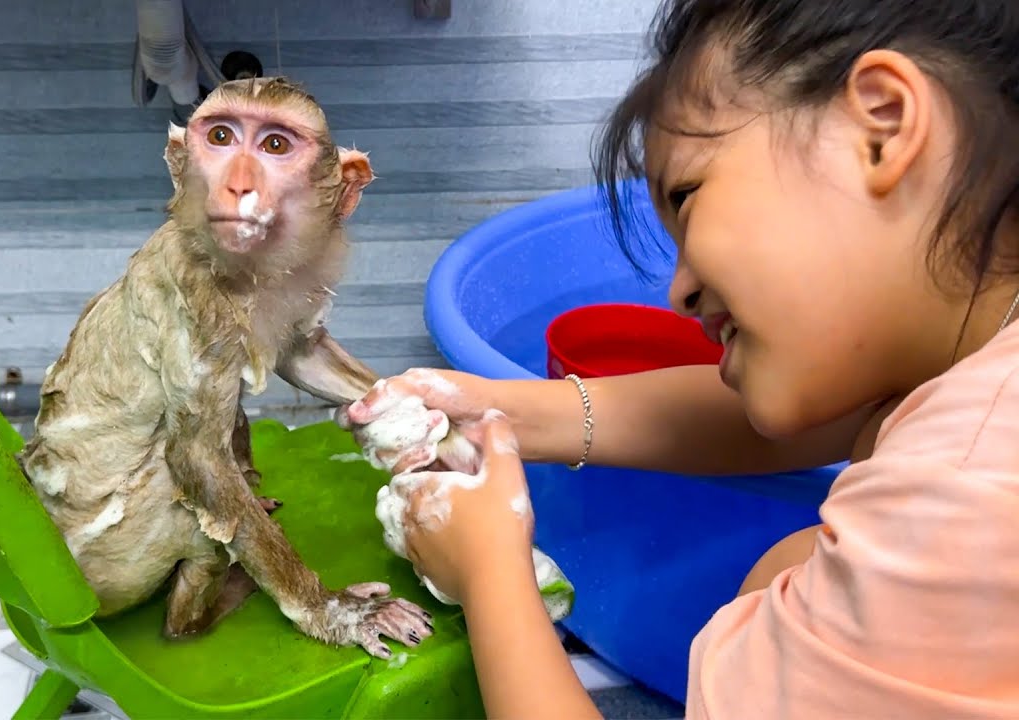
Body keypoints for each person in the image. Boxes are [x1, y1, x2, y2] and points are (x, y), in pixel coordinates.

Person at [338, 1, 1019, 717]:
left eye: (689, 198)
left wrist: (490, 574)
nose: (679, 292)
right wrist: (504, 411)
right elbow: (770, 413)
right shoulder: (976, 358)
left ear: (880, 126)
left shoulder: (961, 497)